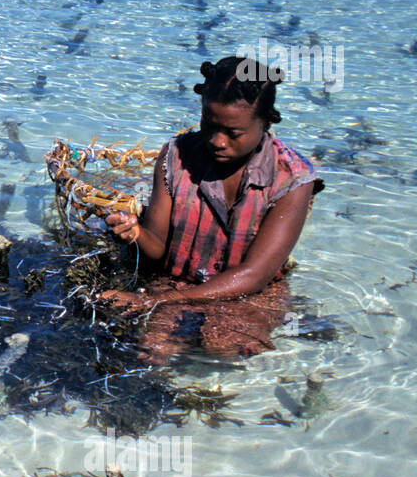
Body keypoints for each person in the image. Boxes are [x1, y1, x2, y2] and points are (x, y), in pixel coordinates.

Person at [98, 56, 322, 360]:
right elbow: (157, 247)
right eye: (209, 124)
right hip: (176, 282)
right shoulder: (177, 155)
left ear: (266, 124)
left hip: (245, 293)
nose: (217, 141)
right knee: (151, 348)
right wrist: (136, 233)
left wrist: (157, 301)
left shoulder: (291, 178)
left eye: (233, 133)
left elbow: (255, 275)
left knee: (224, 346)